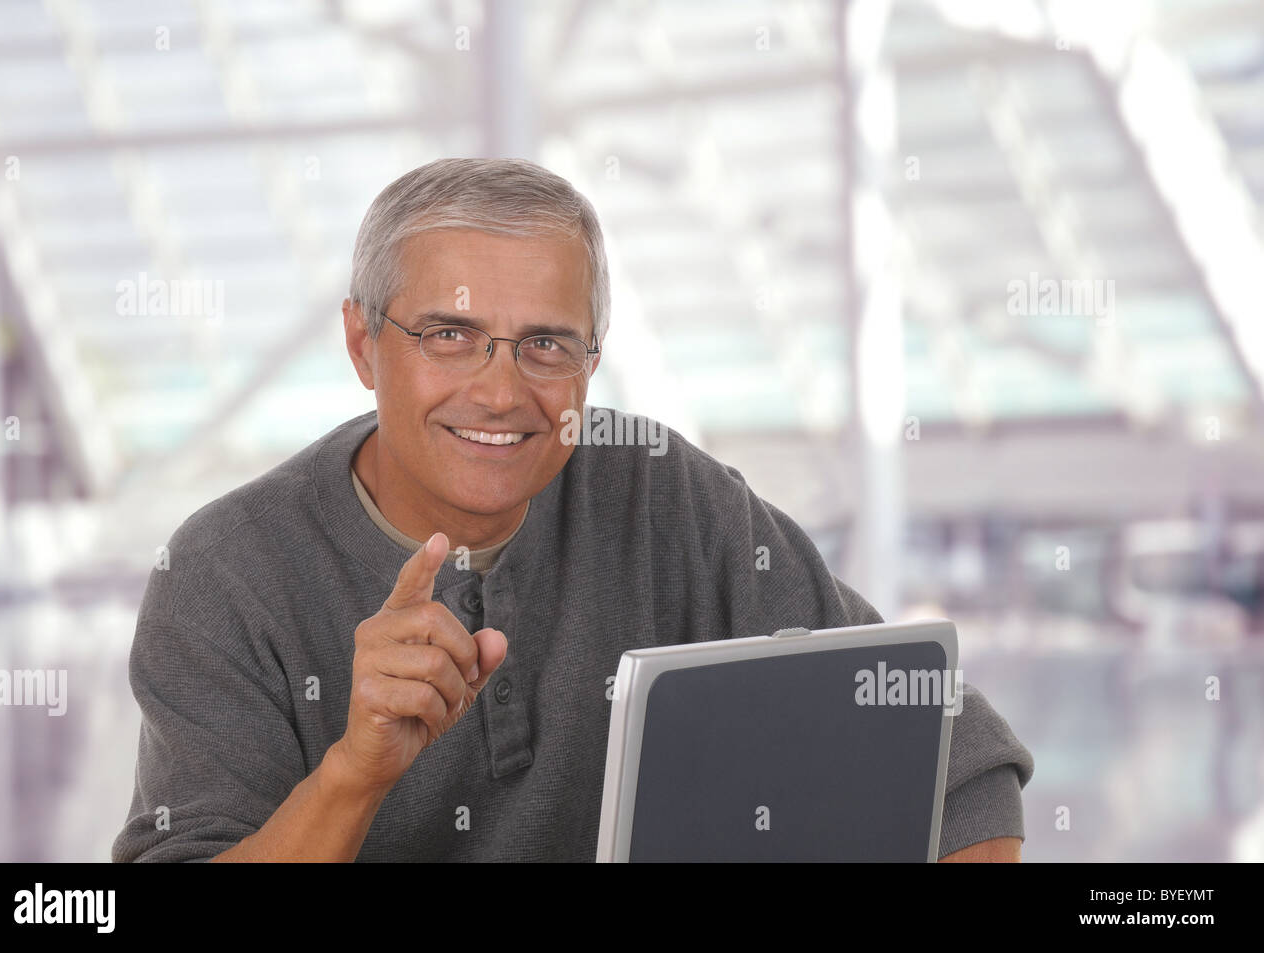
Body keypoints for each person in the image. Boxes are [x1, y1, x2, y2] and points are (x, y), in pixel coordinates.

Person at [112, 157, 1033, 862]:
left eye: (546, 345)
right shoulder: (223, 574)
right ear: (363, 342)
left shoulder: (657, 490)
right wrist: (356, 770)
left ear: (591, 361)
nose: (501, 392)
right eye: (450, 335)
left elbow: (953, 753)